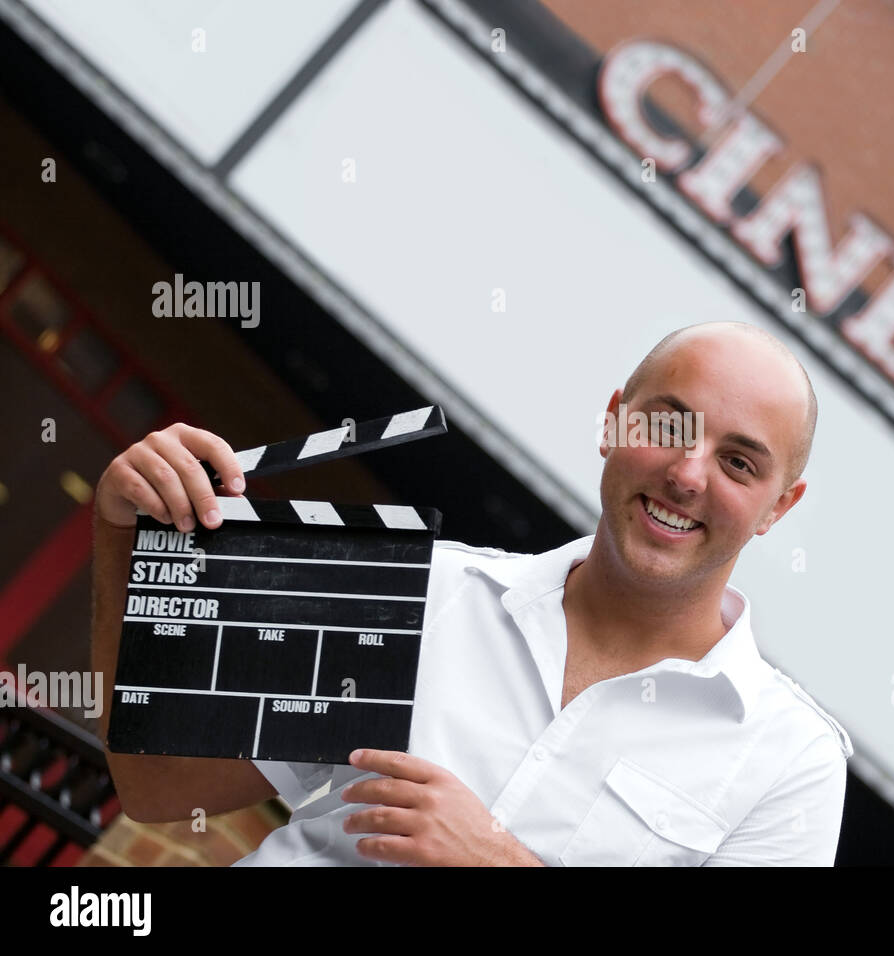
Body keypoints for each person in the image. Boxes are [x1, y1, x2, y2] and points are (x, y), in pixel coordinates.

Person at [91, 320, 852, 866]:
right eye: (667, 424)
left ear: (779, 507)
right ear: (614, 422)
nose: (688, 475)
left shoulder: (791, 760)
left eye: (740, 464)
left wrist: (494, 861)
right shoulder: (424, 590)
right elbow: (157, 784)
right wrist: (120, 535)